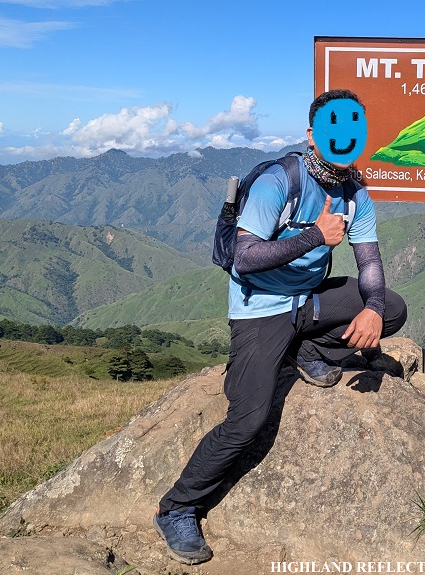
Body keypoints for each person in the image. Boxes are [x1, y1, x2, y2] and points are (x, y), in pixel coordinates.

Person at [154, 89, 407, 565]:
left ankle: (311, 350)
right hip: (260, 308)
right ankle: (178, 507)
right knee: (249, 416)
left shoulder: (355, 194)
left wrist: (371, 306)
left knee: (392, 309)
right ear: (312, 135)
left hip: (309, 302)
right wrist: (316, 235)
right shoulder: (279, 181)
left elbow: (369, 262)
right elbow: (246, 259)